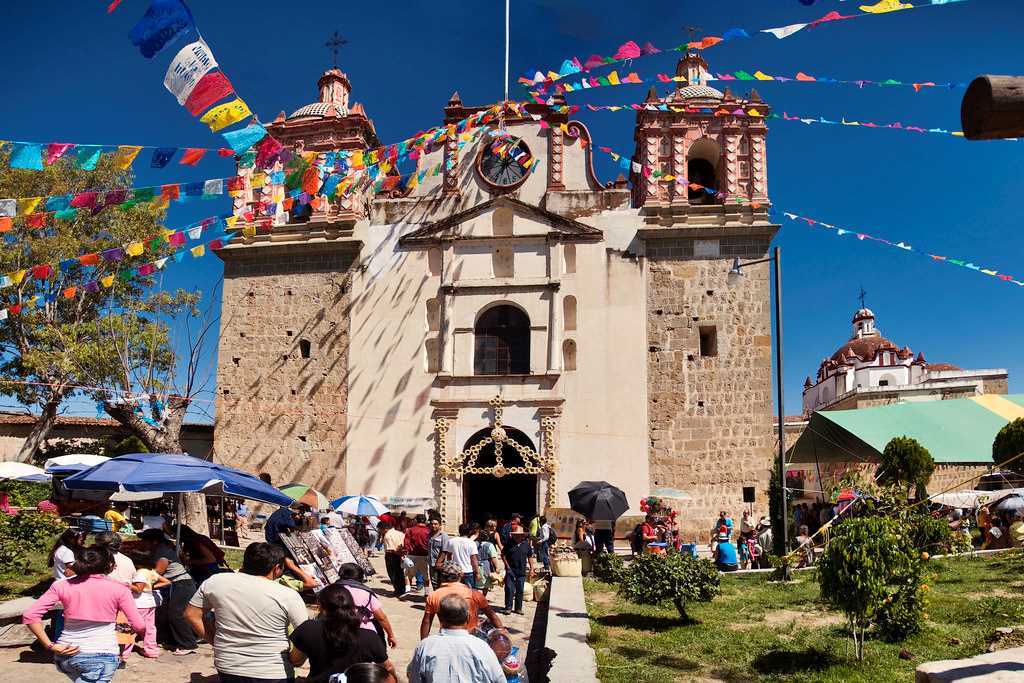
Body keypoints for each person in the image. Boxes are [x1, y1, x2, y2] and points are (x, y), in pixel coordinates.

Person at [185, 542, 309, 683]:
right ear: (277, 569)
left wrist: (215, 641)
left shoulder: (216, 581)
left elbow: (191, 614)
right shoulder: (288, 595)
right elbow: (306, 635)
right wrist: (296, 660)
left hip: (228, 666)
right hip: (274, 671)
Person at [23, 545, 145, 683]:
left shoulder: (61, 585)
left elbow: (30, 615)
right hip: (101, 655)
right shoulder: (120, 589)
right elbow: (139, 625)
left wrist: (49, 645)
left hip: (65, 654)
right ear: (110, 565)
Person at [289, 583, 396, 683]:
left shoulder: (308, 629)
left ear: (321, 606)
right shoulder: (369, 637)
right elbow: (388, 667)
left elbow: (296, 660)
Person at [407, 594, 506, 683]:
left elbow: (414, 678)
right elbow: (499, 679)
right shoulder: (482, 647)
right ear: (468, 618)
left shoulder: (425, 646)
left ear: (440, 618)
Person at [136, 528, 198, 655]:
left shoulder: (163, 553)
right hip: (177, 584)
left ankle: (188, 644)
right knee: (164, 612)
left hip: (183, 584)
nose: (142, 543)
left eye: (144, 540)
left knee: (176, 614)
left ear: (154, 541)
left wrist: (141, 573)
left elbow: (157, 572)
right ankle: (171, 640)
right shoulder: (157, 550)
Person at [421, 563, 505, 639]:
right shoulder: (473, 594)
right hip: (471, 636)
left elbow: (427, 621)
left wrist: (424, 642)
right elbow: (491, 615)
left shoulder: (434, 596)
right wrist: (503, 633)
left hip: (446, 636)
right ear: (461, 575)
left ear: (443, 576)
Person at [338, 563, 398, 649]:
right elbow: (381, 618)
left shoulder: (330, 591)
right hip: (364, 634)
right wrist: (390, 635)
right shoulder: (365, 593)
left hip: (337, 634)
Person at [128, 560, 169, 660]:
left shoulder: (140, 572)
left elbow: (139, 589)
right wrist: (151, 587)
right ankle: (151, 650)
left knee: (132, 627)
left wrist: (126, 584)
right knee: (150, 627)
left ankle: (125, 650)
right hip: (150, 602)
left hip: (139, 603)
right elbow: (167, 581)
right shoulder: (151, 572)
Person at [502, 528, 535, 615]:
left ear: (522, 536)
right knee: (509, 589)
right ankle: (508, 608)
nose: (516, 537)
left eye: (518, 535)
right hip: (510, 570)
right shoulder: (509, 544)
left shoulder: (526, 545)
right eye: (515, 535)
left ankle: (518, 608)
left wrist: (532, 569)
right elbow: (503, 555)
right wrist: (507, 567)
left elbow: (530, 557)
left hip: (521, 571)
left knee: (520, 590)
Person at [403, 514, 433, 596]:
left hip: (412, 555)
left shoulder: (410, 530)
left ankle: (408, 590)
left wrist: (405, 552)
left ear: (416, 520)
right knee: (426, 575)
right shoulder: (429, 531)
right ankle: (426, 592)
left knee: (407, 574)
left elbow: (406, 543)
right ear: (425, 521)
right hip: (425, 555)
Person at [446, 523, 481, 589]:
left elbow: (449, 557)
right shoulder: (471, 543)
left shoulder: (451, 541)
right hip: (468, 570)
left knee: (456, 591)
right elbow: (474, 559)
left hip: (455, 571)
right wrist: (477, 573)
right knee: (469, 592)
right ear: (470, 531)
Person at [380, 521, 408, 597]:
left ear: (384, 529)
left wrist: (397, 553)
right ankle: (402, 589)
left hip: (392, 556)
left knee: (393, 574)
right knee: (400, 573)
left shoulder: (387, 536)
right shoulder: (400, 533)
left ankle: (398, 590)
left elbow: (391, 549)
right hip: (401, 554)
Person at [475, 529, 501, 596]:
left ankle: (476, 597)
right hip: (486, 565)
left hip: (475, 564)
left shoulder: (474, 544)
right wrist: (497, 567)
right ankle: (483, 597)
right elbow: (493, 557)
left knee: (476, 583)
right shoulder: (489, 545)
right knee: (486, 584)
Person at [428, 518, 450, 590]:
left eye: (435, 524)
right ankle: (436, 595)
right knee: (434, 582)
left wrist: (439, 562)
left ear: (440, 525)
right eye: (432, 524)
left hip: (440, 563)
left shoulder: (444, 536)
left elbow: (444, 550)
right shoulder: (429, 535)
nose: (433, 526)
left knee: (442, 582)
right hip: (431, 562)